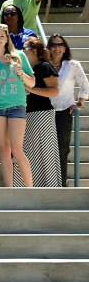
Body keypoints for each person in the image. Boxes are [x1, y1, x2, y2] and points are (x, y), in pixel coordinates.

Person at [0, 23, 36, 187]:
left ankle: (30, 189)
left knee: (17, 150)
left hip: (17, 106)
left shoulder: (19, 56)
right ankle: (10, 189)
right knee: (4, 149)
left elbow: (32, 83)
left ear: (7, 38)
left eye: (1, 36)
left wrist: (20, 71)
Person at [47, 34, 88, 186]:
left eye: (60, 45)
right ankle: (47, 182)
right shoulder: (44, 64)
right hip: (45, 111)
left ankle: (61, 183)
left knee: (62, 149)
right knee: (46, 149)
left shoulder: (72, 65)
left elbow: (84, 84)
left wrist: (80, 101)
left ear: (65, 48)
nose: (57, 48)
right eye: (53, 45)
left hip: (65, 111)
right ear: (49, 48)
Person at [20, 38, 61, 187]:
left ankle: (48, 186)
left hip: (42, 115)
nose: (23, 51)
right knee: (29, 152)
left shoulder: (44, 66)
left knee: (44, 153)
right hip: (27, 114)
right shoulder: (25, 70)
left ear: (34, 51)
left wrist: (31, 89)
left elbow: (54, 91)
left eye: (25, 48)